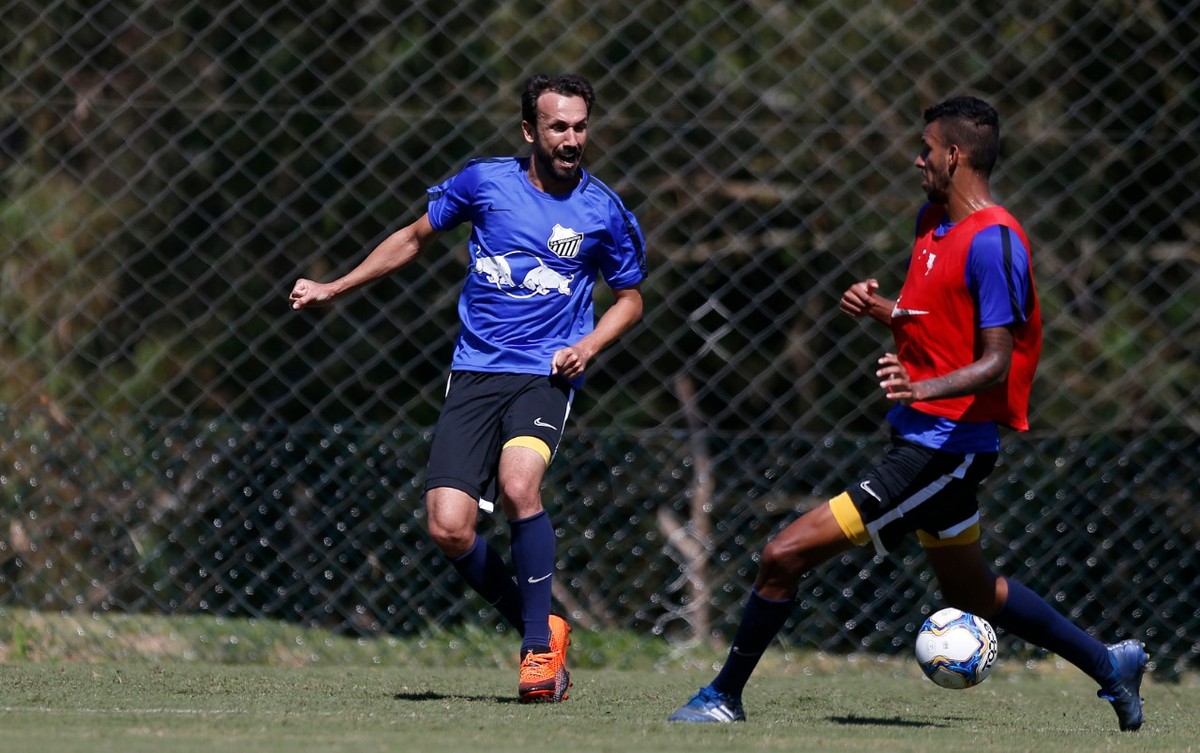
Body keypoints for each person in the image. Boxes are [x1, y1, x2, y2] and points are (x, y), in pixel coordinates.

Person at [667, 96, 1147, 731]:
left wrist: (924, 391)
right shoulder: (932, 223)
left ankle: (723, 695)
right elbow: (937, 322)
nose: (916, 158)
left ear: (954, 155)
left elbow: (995, 360)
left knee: (783, 553)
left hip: (946, 447)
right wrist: (885, 310)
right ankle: (1110, 665)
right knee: (972, 595)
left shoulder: (996, 241)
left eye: (925, 148)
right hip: (923, 439)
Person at [290, 73, 647, 703]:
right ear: (529, 131)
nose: (571, 139)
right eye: (557, 126)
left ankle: (537, 655)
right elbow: (412, 238)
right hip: (477, 372)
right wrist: (333, 287)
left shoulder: (603, 210)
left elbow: (630, 299)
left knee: (518, 487)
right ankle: (542, 626)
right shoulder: (485, 182)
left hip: (544, 375)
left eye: (580, 126)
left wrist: (587, 346)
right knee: (448, 526)